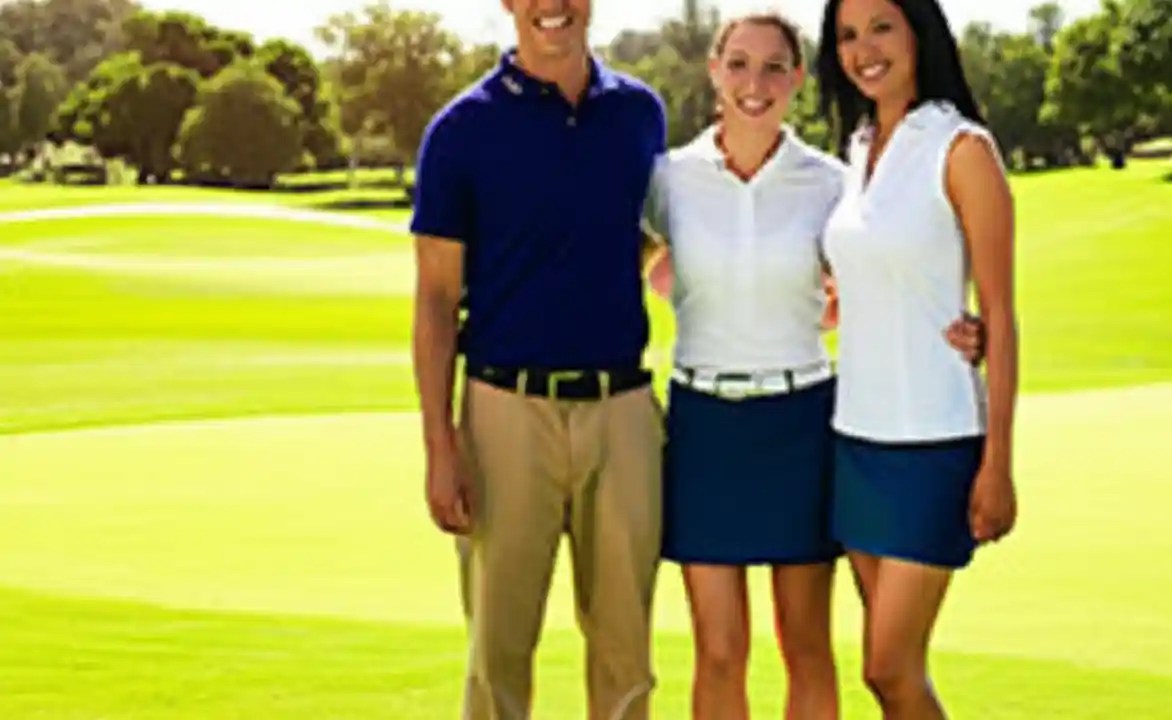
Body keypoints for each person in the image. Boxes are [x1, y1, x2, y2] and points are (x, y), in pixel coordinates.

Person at [644, 11, 983, 720]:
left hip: (802, 421)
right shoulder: (668, 178)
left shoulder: (832, 180)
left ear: (798, 78)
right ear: (713, 71)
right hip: (703, 426)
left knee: (805, 643)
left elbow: (887, 260)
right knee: (717, 650)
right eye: (738, 64)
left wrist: (959, 329)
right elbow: (619, 247)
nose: (755, 83)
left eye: (775, 66)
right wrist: (665, 270)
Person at [409, 1, 668, 718]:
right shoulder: (461, 130)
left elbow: (648, 238)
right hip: (504, 414)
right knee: (498, 661)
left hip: (623, 412)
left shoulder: (641, 114)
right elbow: (434, 298)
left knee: (628, 662)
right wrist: (440, 444)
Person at [817, 0, 1020, 717]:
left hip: (932, 440)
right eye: (847, 34)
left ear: (918, 34)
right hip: (855, 437)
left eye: (881, 27)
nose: (863, 48)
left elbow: (999, 312)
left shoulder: (963, 148)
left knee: (888, 665)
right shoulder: (857, 149)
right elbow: (874, 268)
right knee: (891, 675)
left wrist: (997, 463)